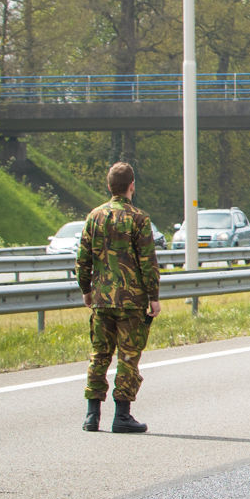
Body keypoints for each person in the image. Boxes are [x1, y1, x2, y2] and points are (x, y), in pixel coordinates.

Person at [76, 162, 161, 433]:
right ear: (131, 185)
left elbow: (83, 258)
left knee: (99, 354)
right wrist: (153, 296)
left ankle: (92, 415)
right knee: (127, 356)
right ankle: (122, 416)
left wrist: (86, 291)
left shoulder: (94, 216)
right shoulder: (139, 219)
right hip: (130, 300)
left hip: (101, 299)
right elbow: (148, 262)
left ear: (109, 185)